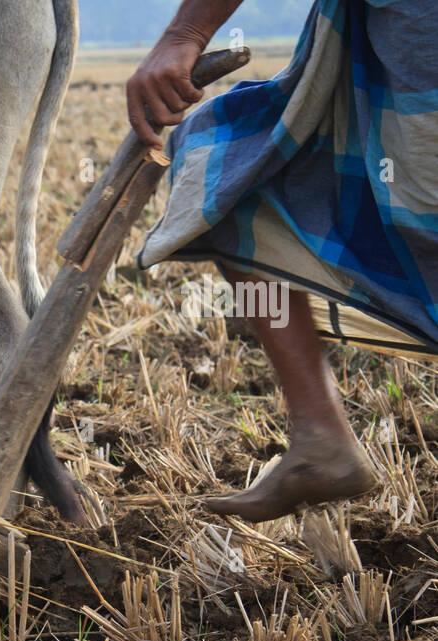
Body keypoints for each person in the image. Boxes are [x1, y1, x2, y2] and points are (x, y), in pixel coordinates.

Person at [127, 0, 437, 521]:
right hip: (387, 56)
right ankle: (319, 437)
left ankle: (321, 433)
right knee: (239, 185)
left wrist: (185, 32)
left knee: (233, 175)